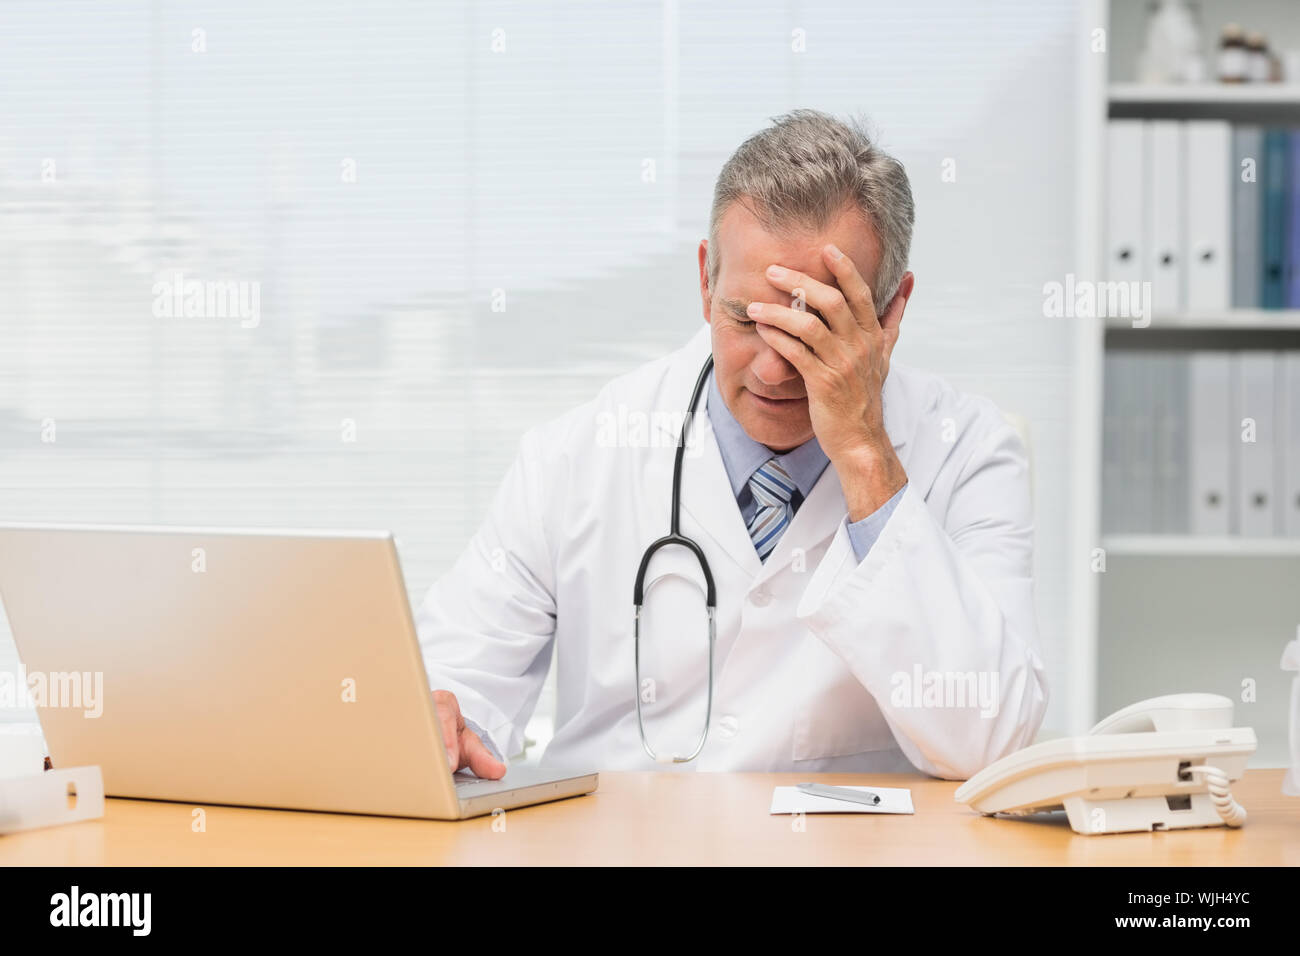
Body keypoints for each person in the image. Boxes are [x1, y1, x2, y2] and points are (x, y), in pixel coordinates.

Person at [416, 109, 1048, 781]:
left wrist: (866, 459)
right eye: (746, 318)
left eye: (817, 329)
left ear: (891, 313)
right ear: (705, 280)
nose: (773, 370)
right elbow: (451, 686)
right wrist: (445, 718)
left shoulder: (970, 450)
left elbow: (994, 743)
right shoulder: (577, 455)